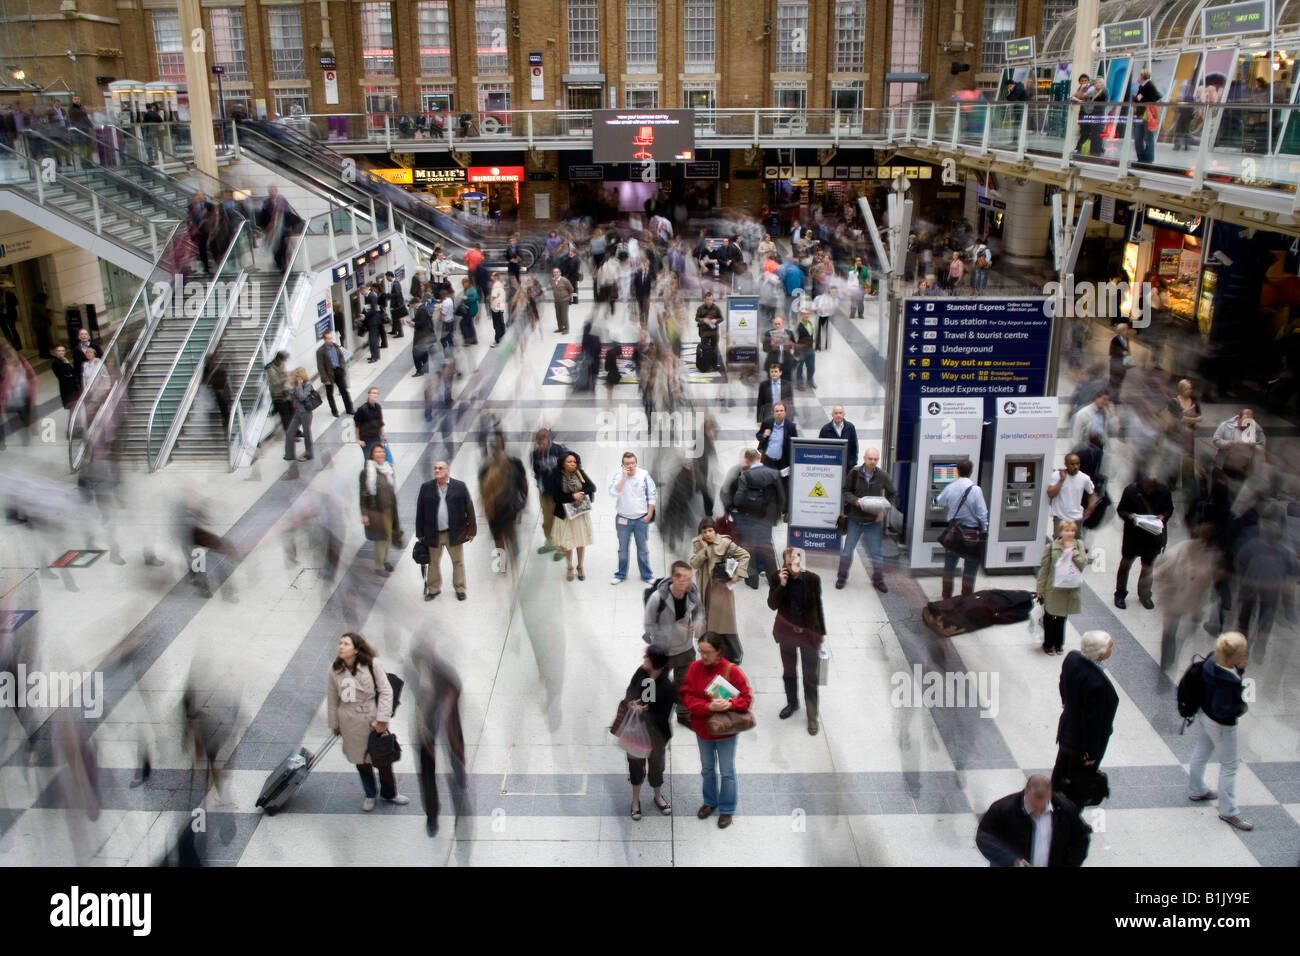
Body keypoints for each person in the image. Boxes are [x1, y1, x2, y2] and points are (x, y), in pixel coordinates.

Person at [326, 632, 409, 811]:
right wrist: (334, 723)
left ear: (356, 649)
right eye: (340, 643)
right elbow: (332, 698)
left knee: (382, 759)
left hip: (371, 720)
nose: (341, 647)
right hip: (349, 723)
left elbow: (386, 691)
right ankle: (370, 793)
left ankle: (389, 792)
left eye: (346, 644)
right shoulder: (335, 669)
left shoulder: (372, 664)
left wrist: (382, 719)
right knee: (361, 761)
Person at [679, 632, 753, 829]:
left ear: (719, 652)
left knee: (727, 771)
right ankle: (710, 802)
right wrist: (708, 707)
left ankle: (727, 809)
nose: (703, 656)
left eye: (707, 652)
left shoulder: (732, 671)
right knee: (707, 768)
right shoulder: (694, 669)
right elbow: (687, 698)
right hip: (703, 730)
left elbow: (746, 700)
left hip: (725, 732)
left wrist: (729, 704)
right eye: (700, 651)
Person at [1187, 632, 1253, 831]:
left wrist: (1240, 670)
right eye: (1243, 652)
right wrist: (1241, 708)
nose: (1245, 654)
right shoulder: (1226, 681)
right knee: (1230, 766)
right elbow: (1222, 709)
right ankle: (1228, 811)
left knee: (1202, 750)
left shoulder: (1212, 659)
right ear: (1233, 656)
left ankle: (1196, 789)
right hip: (1221, 725)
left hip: (1204, 715)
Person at [1051, 631, 1118, 807]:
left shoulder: (1072, 658)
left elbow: (1062, 683)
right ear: (1101, 654)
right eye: (1110, 645)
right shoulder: (1098, 685)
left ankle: (1054, 807)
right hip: (1081, 743)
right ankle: (1067, 820)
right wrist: (1090, 754)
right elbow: (1093, 725)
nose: (1113, 648)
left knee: (1061, 773)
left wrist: (1067, 703)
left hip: (1067, 730)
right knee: (1078, 786)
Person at [768, 547, 827, 735]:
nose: (793, 563)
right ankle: (792, 704)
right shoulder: (777, 578)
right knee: (789, 671)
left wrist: (821, 633)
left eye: (796, 559)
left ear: (801, 561)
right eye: (789, 560)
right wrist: (782, 585)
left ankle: (812, 715)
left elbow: (818, 607)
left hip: (808, 635)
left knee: (810, 676)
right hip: (786, 634)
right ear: (784, 563)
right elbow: (772, 604)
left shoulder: (813, 579)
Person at [976, 775, 1092, 867]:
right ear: (1026, 792)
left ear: (1050, 795)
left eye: (1042, 808)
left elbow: (1081, 839)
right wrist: (1012, 860)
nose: (1038, 812)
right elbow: (984, 838)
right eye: (1033, 806)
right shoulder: (1004, 809)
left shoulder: (1066, 810)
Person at [644, 562, 704, 725]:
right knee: (654, 684)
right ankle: (650, 713)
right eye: (684, 579)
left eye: (690, 578)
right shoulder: (658, 598)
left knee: (685, 684)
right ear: (673, 579)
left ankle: (683, 715)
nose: (689, 582)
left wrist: (697, 623)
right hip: (663, 651)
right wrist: (673, 629)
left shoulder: (692, 592)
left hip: (685, 648)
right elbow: (648, 627)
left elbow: (699, 611)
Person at [1154, 523, 1220, 669]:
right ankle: (1167, 659)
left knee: (1176, 633)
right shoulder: (1179, 552)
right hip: (1173, 600)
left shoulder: (1207, 559)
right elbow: (1159, 573)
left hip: (1186, 602)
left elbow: (1204, 586)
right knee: (1170, 631)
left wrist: (1197, 609)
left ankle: (1170, 658)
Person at [623, 645, 676, 820]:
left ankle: (657, 795)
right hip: (636, 730)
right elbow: (630, 691)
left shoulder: (667, 687)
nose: (643, 660)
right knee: (635, 765)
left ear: (656, 664)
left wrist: (645, 711)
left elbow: (663, 716)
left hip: (656, 734)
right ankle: (635, 800)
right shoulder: (641, 672)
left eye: (647, 658)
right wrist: (632, 703)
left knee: (656, 766)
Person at [689, 517, 750, 664]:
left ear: (715, 531)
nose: (708, 534)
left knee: (724, 623)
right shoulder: (697, 543)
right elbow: (694, 564)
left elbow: (744, 555)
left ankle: (735, 653)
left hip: (721, 588)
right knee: (707, 622)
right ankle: (712, 651)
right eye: (704, 531)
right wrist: (704, 550)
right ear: (700, 533)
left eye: (710, 530)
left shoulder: (725, 542)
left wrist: (738, 575)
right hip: (704, 588)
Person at [837, 447, 897, 592]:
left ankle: (878, 580)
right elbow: (845, 491)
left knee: (876, 553)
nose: (872, 462)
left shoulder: (883, 475)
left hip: (873, 522)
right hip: (855, 520)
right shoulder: (854, 473)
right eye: (870, 459)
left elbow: (893, 494)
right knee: (847, 552)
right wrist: (855, 500)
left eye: (875, 459)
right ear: (864, 458)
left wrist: (884, 510)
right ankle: (841, 578)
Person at [415, 460, 476, 601]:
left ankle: (460, 588)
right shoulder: (426, 487)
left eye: (440, 468)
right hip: (433, 533)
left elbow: (469, 508)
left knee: (458, 562)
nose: (437, 470)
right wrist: (420, 533)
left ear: (447, 471)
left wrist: (471, 530)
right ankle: (433, 589)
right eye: (435, 468)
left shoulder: (459, 487)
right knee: (433, 563)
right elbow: (420, 511)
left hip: (454, 533)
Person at [723, 448, 784, 589]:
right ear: (760, 457)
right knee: (767, 548)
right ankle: (774, 580)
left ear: (747, 460)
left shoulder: (745, 476)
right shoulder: (773, 474)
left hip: (748, 518)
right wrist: (777, 513)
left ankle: (753, 581)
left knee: (749, 549)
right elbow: (781, 497)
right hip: (767, 518)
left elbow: (737, 499)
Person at [1114, 474, 1173, 610]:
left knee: (1148, 567)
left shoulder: (1164, 491)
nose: (1149, 490)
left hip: (1152, 537)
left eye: (1153, 487)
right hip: (1133, 535)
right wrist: (1130, 516)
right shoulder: (1131, 491)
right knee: (1125, 564)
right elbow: (1121, 510)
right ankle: (1120, 594)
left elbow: (1169, 509)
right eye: (1147, 487)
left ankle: (1144, 595)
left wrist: (1163, 516)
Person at [1034, 519, 1089, 655]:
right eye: (1067, 530)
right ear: (1060, 532)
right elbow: (1044, 569)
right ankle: (1048, 643)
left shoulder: (1078, 545)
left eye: (1072, 531)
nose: (1070, 533)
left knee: (1062, 617)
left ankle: (1059, 644)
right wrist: (1040, 589)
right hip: (1053, 588)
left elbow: (1082, 563)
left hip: (1069, 589)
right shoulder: (1052, 547)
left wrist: (1073, 551)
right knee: (1050, 616)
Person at [937, 458, 988, 598]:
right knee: (970, 568)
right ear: (971, 472)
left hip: (954, 532)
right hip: (972, 534)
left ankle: (946, 597)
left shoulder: (951, 487)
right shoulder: (976, 490)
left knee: (949, 566)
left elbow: (939, 501)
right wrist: (984, 529)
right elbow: (982, 514)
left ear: (957, 471)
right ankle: (966, 599)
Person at [478, 431, 528, 572]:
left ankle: (512, 564)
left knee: (510, 538)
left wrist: (522, 506)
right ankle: (503, 564)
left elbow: (523, 485)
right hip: (495, 511)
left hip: (509, 508)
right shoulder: (485, 468)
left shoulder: (514, 464)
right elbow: (483, 493)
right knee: (500, 539)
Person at [608, 451, 657, 586]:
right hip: (623, 519)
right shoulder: (618, 476)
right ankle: (621, 574)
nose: (630, 466)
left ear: (636, 463)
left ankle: (647, 575)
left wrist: (649, 514)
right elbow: (612, 493)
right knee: (623, 549)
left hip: (641, 519)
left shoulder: (644, 475)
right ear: (622, 465)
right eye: (627, 464)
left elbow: (652, 495)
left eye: (633, 463)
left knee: (642, 549)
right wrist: (623, 479)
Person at [546, 450, 596, 581]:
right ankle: (569, 567)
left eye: (574, 461)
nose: (573, 464)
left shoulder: (580, 473)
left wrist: (581, 493)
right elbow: (556, 496)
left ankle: (580, 566)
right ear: (563, 463)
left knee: (580, 541)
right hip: (565, 515)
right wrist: (571, 496)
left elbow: (592, 487)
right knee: (567, 542)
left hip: (579, 513)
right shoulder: (556, 476)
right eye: (569, 462)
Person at [359, 441, 401, 575]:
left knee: (388, 536)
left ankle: (385, 560)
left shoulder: (388, 468)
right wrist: (364, 514)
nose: (380, 454)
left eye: (382, 451)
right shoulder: (367, 472)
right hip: (376, 511)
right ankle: (379, 566)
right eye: (377, 452)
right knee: (380, 539)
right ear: (372, 455)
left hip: (389, 509)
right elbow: (363, 495)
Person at [531, 428, 569, 559]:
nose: (541, 446)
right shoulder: (536, 454)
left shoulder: (559, 451)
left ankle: (562, 548)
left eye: (543, 443)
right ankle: (550, 543)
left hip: (558, 493)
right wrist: (539, 483)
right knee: (547, 522)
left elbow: (571, 468)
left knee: (559, 521)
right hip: (545, 493)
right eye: (539, 444)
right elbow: (536, 470)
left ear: (548, 441)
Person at [757, 401, 797, 515]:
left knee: (783, 486)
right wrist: (764, 435)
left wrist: (791, 464)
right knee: (767, 485)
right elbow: (758, 436)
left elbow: (794, 445)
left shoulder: (791, 426)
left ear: (785, 412)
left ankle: (784, 510)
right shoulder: (767, 422)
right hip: (768, 461)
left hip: (783, 462)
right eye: (777, 411)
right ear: (773, 413)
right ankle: (766, 509)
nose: (779, 413)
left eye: (781, 411)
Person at [1046, 454, 1097, 538]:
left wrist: (1090, 508)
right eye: (1072, 464)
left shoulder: (1084, 478)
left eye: (1078, 464)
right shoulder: (1056, 475)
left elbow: (1091, 492)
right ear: (1066, 464)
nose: (1076, 467)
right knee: (1058, 545)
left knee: (1074, 545)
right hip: (1060, 517)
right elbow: (1050, 494)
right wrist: (1061, 480)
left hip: (1076, 518)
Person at [1212, 408, 1265, 478]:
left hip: (1241, 470)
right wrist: (1227, 443)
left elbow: (1261, 449)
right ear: (1238, 418)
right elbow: (1216, 440)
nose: (1246, 424)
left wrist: (1255, 448)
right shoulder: (1225, 425)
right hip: (1222, 466)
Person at [315, 331, 353, 417]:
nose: (330, 340)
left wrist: (342, 368)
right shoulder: (320, 351)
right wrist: (325, 379)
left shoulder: (335, 346)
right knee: (330, 393)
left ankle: (349, 408)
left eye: (331, 338)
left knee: (344, 390)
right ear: (324, 339)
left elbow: (341, 358)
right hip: (329, 374)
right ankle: (334, 410)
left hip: (338, 371)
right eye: (328, 339)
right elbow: (320, 366)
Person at [283, 368, 315, 464]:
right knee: (289, 432)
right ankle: (289, 454)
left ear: (302, 376)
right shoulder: (296, 385)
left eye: (297, 376)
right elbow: (291, 395)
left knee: (306, 433)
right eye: (295, 376)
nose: (296, 378)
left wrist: (299, 385)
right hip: (297, 412)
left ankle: (309, 454)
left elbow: (302, 397)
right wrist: (290, 382)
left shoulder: (307, 385)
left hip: (306, 413)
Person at [1132, 68, 1161, 164]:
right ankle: (1142, 157)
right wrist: (1137, 98)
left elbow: (1153, 98)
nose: (1138, 78)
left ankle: (1147, 158)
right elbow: (1139, 99)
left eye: (1139, 75)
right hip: (1141, 114)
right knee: (1139, 136)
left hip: (1147, 115)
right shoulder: (1142, 87)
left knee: (1148, 136)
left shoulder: (1149, 86)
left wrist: (1138, 98)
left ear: (1143, 76)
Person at [818, 405, 859, 473]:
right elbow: (820, 449)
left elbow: (854, 446)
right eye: (836, 413)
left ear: (844, 414)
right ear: (832, 415)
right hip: (830, 467)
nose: (838, 415)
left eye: (840, 413)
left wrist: (852, 463)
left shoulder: (850, 427)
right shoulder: (825, 429)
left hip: (847, 468)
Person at [353, 387, 386, 461]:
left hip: (376, 436)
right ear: (369, 394)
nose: (375, 395)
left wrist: (383, 435)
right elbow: (357, 426)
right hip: (366, 439)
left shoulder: (378, 407)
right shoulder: (362, 409)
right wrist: (358, 440)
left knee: (377, 458)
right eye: (373, 393)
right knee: (368, 459)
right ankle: (367, 472)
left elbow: (380, 422)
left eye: (377, 393)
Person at [762, 315, 797, 380]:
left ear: (783, 324)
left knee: (786, 384)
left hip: (786, 363)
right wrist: (771, 345)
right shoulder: (768, 333)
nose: (777, 326)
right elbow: (764, 349)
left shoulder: (789, 333)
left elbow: (794, 346)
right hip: (773, 364)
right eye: (775, 324)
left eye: (779, 324)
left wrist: (789, 344)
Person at [791, 310, 816, 390]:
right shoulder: (798, 326)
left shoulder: (810, 324)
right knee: (799, 367)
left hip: (810, 349)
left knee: (811, 367)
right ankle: (799, 383)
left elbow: (812, 335)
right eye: (804, 314)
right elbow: (794, 338)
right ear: (801, 315)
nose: (806, 315)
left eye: (807, 314)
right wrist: (796, 348)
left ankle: (810, 380)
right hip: (801, 350)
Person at [409, 296, 434, 376]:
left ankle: (419, 370)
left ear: (415, 303)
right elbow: (420, 319)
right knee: (424, 351)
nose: (412, 307)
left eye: (412, 305)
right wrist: (413, 321)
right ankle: (426, 368)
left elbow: (422, 323)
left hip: (421, 334)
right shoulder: (422, 308)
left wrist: (414, 323)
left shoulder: (421, 309)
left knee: (415, 352)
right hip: (423, 333)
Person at [1108, 322, 1132, 398]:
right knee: (1113, 380)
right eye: (1125, 330)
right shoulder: (1115, 340)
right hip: (1115, 362)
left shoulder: (1127, 339)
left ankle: (1116, 396)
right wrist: (1122, 352)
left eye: (1127, 329)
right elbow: (1111, 352)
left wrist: (1128, 354)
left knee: (1120, 381)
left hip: (1123, 364)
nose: (1127, 331)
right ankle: (1110, 395)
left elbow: (1127, 349)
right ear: (1120, 331)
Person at [551, 267, 574, 334]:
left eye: (557, 272)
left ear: (560, 273)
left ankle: (566, 329)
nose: (555, 273)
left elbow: (571, 289)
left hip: (564, 300)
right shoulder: (552, 280)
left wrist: (568, 297)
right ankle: (560, 328)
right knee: (558, 315)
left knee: (564, 315)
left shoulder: (565, 280)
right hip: (556, 300)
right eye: (554, 272)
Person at [811, 286, 834, 351]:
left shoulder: (830, 299)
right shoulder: (817, 298)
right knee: (818, 331)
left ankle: (826, 346)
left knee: (827, 332)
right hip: (819, 316)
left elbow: (832, 308)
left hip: (827, 317)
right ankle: (817, 346)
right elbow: (813, 306)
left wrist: (829, 309)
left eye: (827, 291)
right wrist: (816, 309)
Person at [488, 272, 507, 347]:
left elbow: (494, 296)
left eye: (492, 275)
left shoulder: (495, 285)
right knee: (501, 322)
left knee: (496, 324)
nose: (491, 277)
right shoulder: (500, 284)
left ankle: (497, 340)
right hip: (500, 306)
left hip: (495, 307)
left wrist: (491, 300)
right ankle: (503, 337)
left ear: (496, 277)